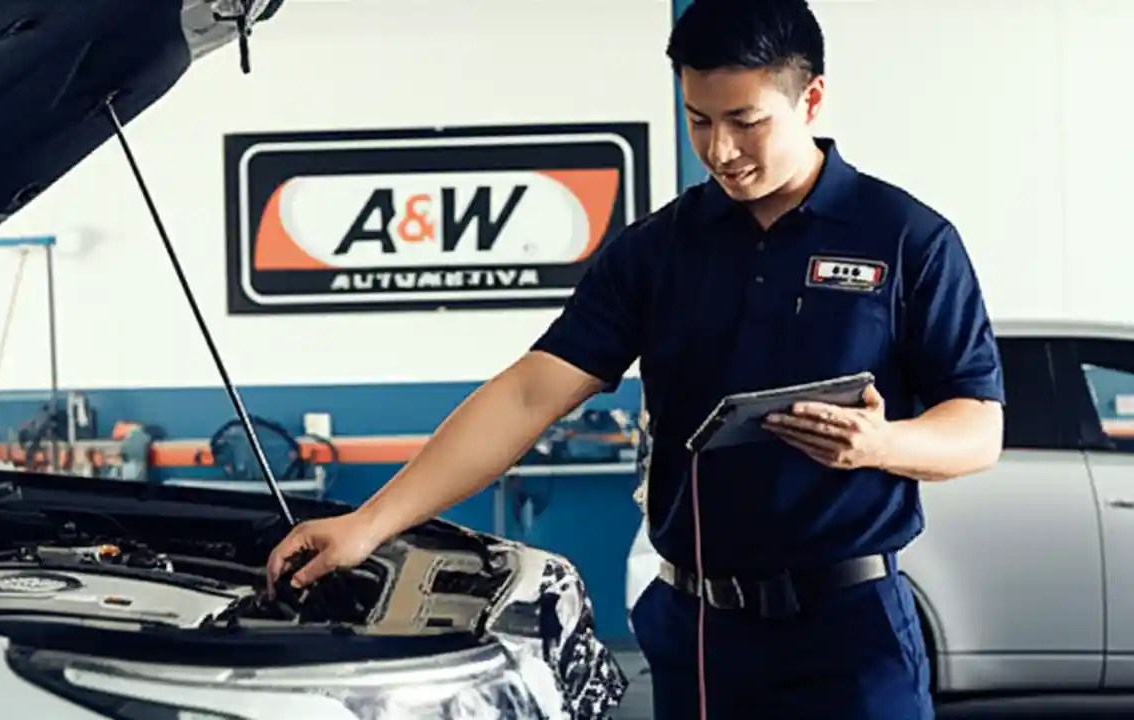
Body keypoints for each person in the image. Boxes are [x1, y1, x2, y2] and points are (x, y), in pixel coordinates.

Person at [265, 0, 1005, 717]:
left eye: (746, 122)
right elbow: (529, 394)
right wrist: (369, 524)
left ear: (811, 99)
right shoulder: (658, 251)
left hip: (849, 635)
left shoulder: (907, 240)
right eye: (699, 121)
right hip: (700, 636)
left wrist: (884, 444)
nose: (719, 150)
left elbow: (977, 427)